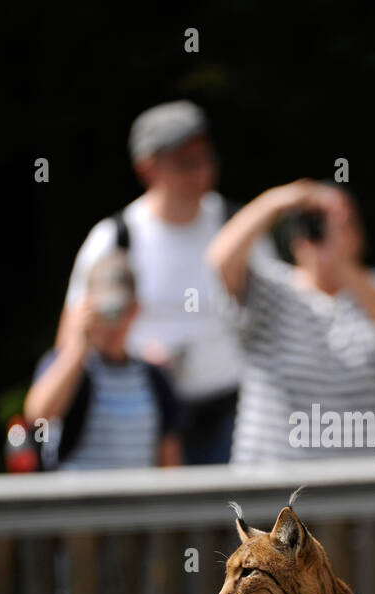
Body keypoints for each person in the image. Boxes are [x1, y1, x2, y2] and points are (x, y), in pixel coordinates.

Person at [56, 100, 249, 464]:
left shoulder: (236, 225)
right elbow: (72, 340)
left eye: (205, 157)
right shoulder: (115, 237)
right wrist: (138, 359)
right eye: (185, 162)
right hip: (145, 422)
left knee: (235, 519)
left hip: (233, 414)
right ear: (148, 168)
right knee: (164, 520)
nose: (201, 172)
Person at [206, 180, 375, 463]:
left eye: (342, 223)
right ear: (296, 238)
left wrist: (341, 266)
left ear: (360, 235)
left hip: (369, 490)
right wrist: (279, 200)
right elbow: (219, 261)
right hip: (277, 493)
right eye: (317, 223)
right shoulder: (271, 290)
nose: (328, 232)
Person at [25, 251, 182, 469]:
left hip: (136, 501)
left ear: (135, 310)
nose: (112, 324)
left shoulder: (154, 378)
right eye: (103, 310)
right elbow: (38, 416)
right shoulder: (70, 367)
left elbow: (169, 460)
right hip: (76, 499)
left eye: (119, 310)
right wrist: (78, 346)